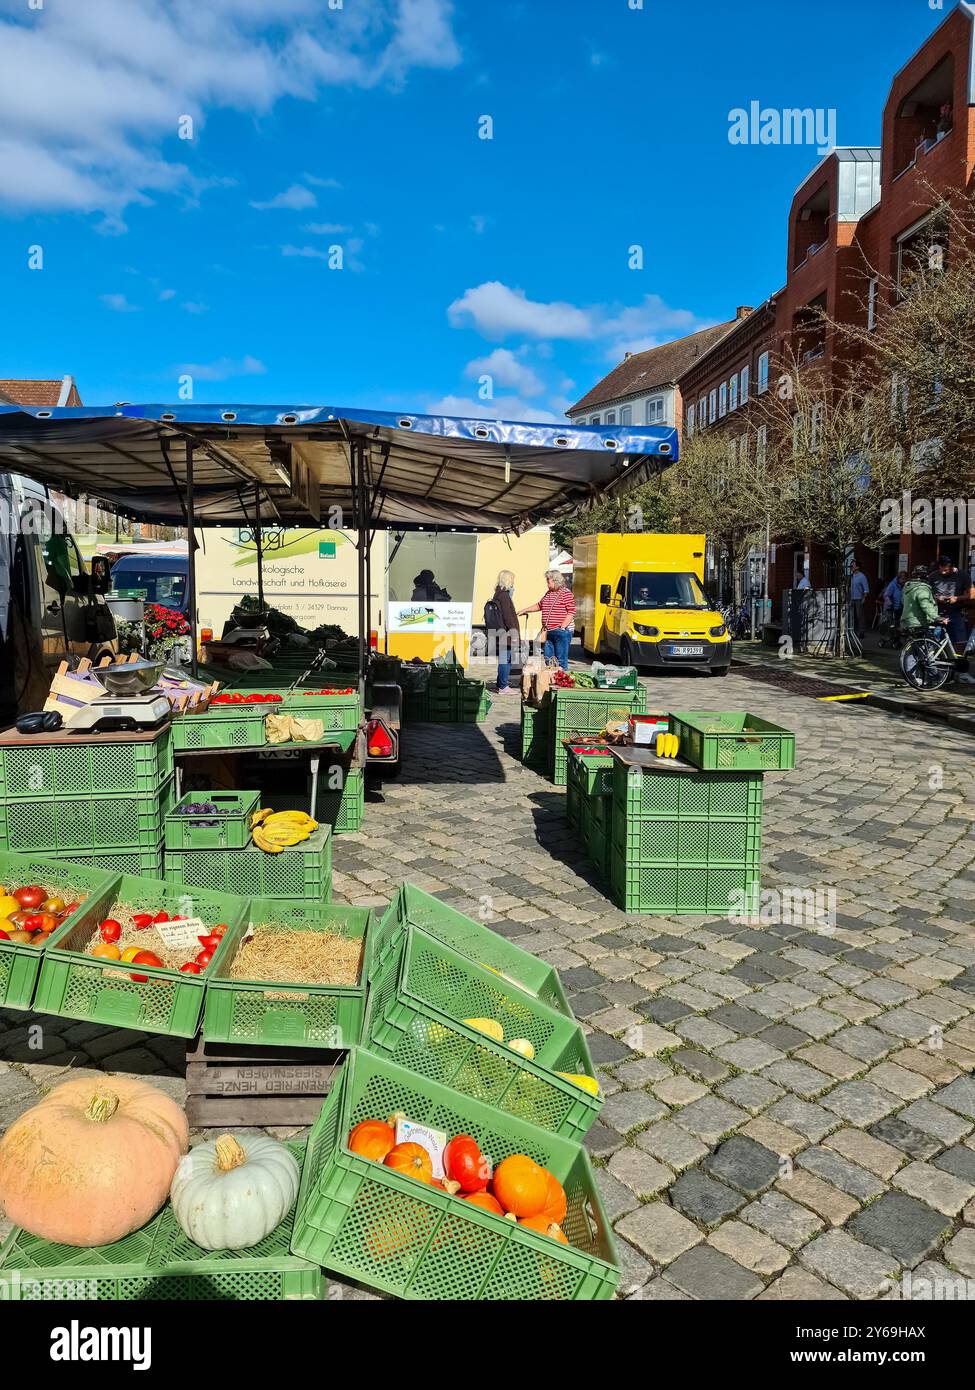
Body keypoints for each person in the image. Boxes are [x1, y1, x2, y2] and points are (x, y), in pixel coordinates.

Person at [518, 569, 575, 671]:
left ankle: (561, 681)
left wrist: (562, 627)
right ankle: (550, 680)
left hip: (560, 632)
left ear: (555, 581)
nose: (547, 583)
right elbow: (539, 605)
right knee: (548, 658)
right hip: (548, 632)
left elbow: (571, 612)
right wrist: (525, 610)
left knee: (560, 660)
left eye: (548, 581)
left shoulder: (566, 593)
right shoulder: (548, 593)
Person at [484, 569, 520, 694]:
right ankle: (503, 686)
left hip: (500, 632)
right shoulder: (504, 596)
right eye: (513, 580)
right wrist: (514, 631)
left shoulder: (497, 594)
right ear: (508, 580)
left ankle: (501, 683)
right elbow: (507, 616)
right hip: (507, 633)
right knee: (506, 660)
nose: (514, 583)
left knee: (504, 659)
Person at [928, 553, 971, 649]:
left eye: (946, 570)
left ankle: (957, 660)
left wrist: (956, 598)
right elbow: (927, 594)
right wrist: (936, 598)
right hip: (938, 612)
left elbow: (970, 595)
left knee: (960, 640)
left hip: (955, 612)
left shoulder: (962, 575)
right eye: (941, 569)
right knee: (936, 640)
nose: (943, 572)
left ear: (952, 567)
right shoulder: (933, 576)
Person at [901, 566, 942, 632]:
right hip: (918, 622)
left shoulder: (908, 586)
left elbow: (902, 601)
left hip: (907, 620)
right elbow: (925, 605)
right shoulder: (922, 588)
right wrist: (936, 617)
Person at [882, 570, 907, 639]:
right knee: (891, 624)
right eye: (902, 579)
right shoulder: (892, 584)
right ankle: (890, 637)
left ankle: (896, 638)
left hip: (899, 607)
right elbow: (886, 595)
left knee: (898, 624)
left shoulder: (903, 585)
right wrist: (890, 603)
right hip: (890, 608)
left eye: (905, 579)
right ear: (898, 578)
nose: (904, 581)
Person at [849, 561, 870, 638]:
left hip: (859, 598)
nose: (851, 567)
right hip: (851, 598)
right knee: (851, 615)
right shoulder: (851, 576)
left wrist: (864, 598)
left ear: (857, 567)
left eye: (853, 565)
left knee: (859, 616)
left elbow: (866, 589)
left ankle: (861, 631)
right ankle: (852, 631)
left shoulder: (862, 576)